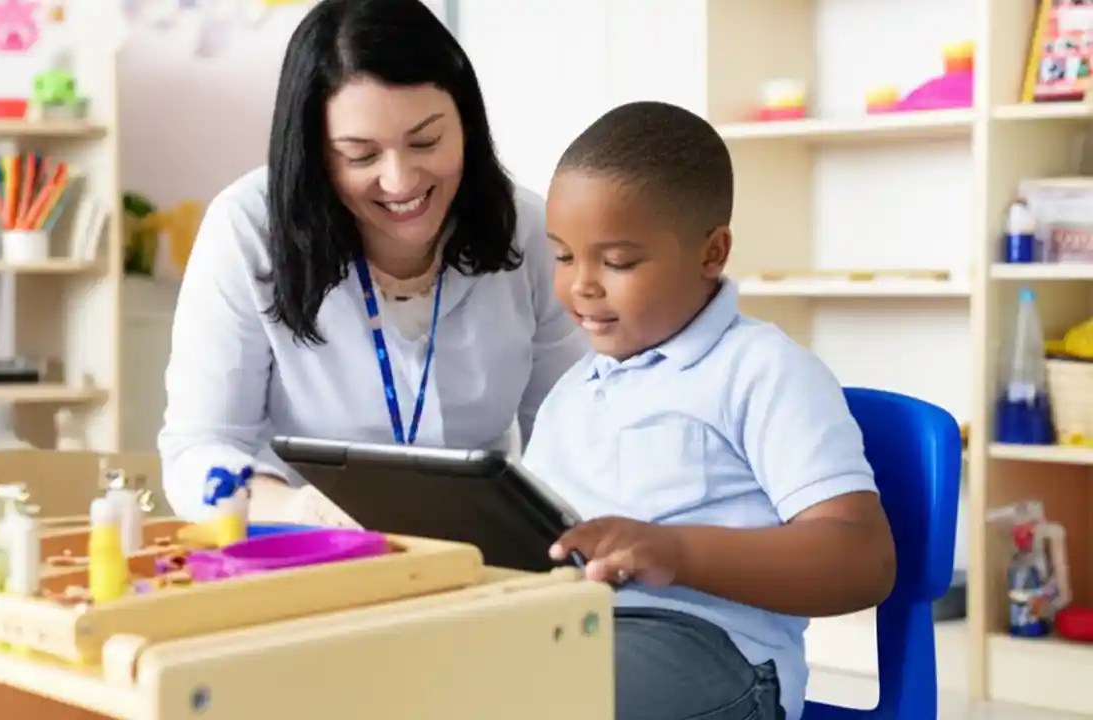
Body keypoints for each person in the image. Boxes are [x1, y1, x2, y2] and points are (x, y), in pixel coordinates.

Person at [523, 101, 898, 720]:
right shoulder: (573, 390)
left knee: (539, 701)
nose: (581, 285)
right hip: (572, 629)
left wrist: (677, 553)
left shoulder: (762, 370)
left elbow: (862, 558)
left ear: (711, 253)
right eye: (563, 256)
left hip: (717, 654)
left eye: (617, 262)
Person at [158, 0, 586, 520]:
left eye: (426, 141)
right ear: (313, 153)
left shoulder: (527, 232)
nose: (401, 181)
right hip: (306, 550)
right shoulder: (248, 230)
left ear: (467, 125)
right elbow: (198, 449)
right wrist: (295, 508)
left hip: (481, 553)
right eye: (361, 155)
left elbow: (573, 435)